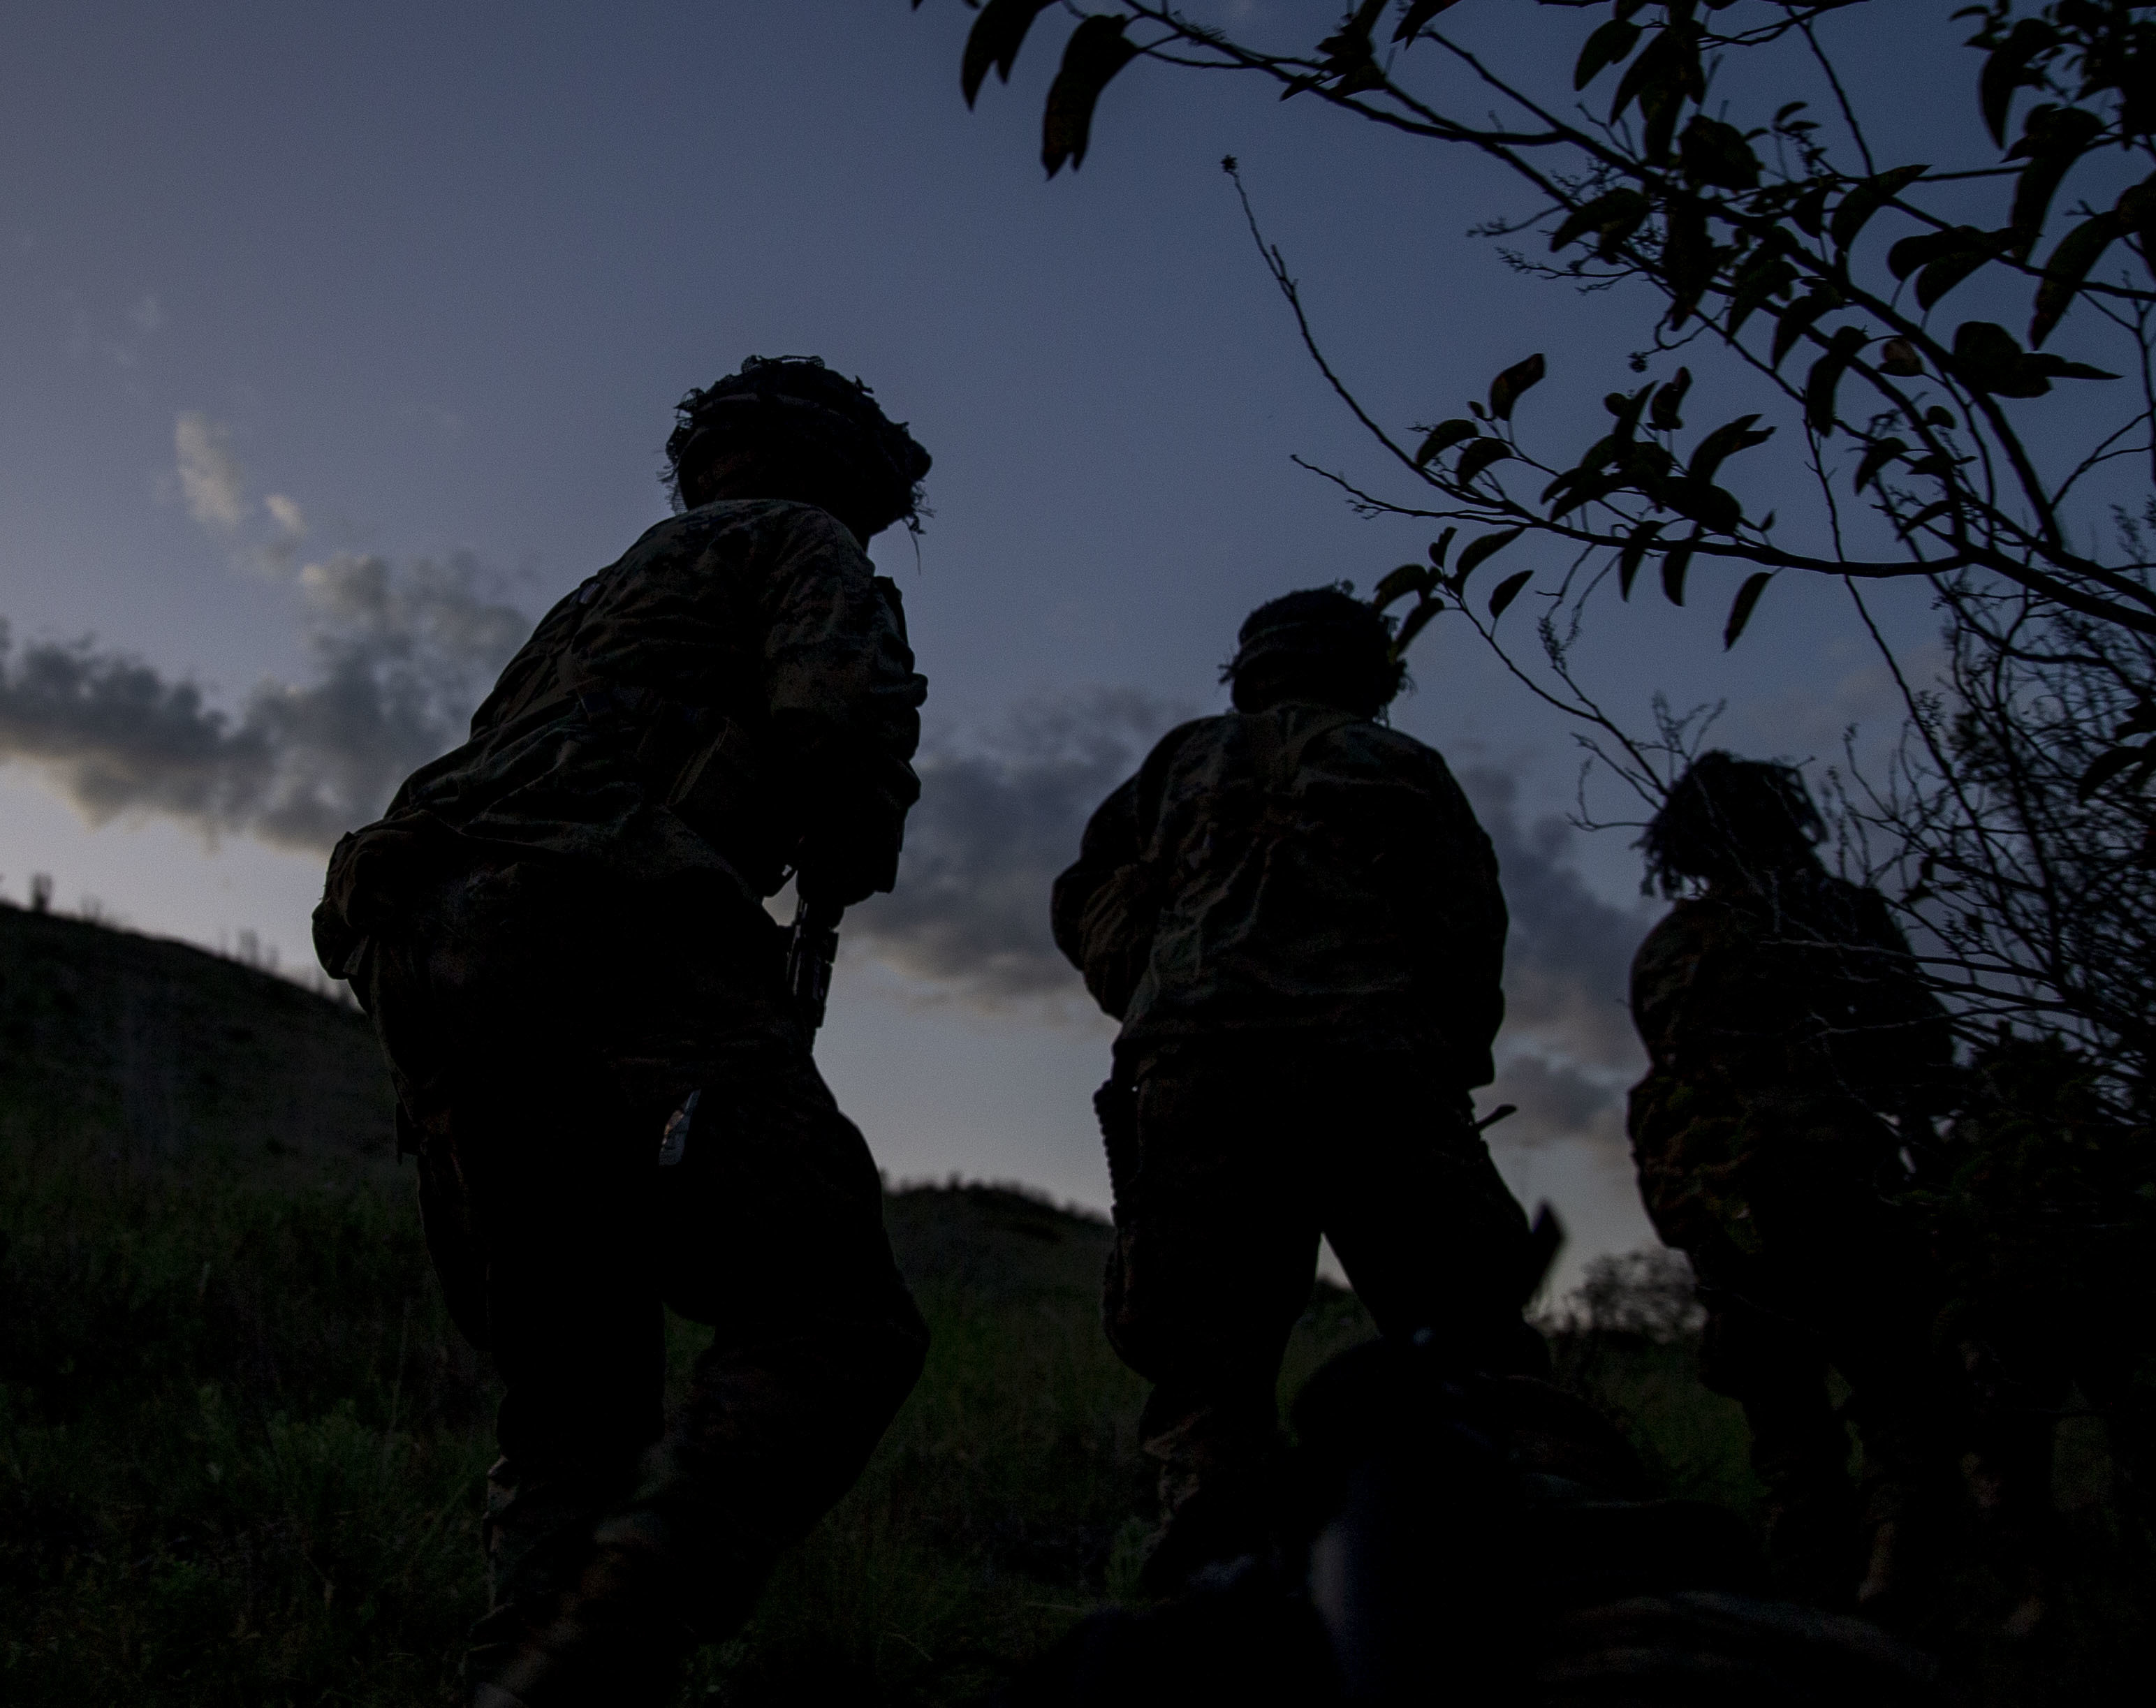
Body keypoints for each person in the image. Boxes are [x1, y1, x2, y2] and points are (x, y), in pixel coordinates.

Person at [311, 355, 933, 1707]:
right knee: (839, 1322)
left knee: (573, 1404)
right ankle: (614, 1642)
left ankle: (527, 1677)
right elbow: (829, 732)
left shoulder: (602, 596)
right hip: (612, 927)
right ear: (852, 480)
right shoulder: (801, 542)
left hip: (430, 951)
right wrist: (857, 813)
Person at [1053, 585, 1547, 1593]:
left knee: (1206, 1389)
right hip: (1374, 1074)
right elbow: (1466, 931)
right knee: (1474, 1351)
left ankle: (1204, 1615)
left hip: (1196, 1078)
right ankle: (1523, 1594)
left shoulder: (1183, 759)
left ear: (1252, 669)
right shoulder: (1403, 765)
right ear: (1371, 675)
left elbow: (1086, 896)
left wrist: (1157, 991)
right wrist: (1438, 1058)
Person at [1622, 752, 1957, 1617]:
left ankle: (1807, 1611)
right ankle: (1897, 1582)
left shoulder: (1667, 947)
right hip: (1844, 1182)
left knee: (1786, 1431)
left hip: (1730, 1207)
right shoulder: (1838, 914)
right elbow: (1921, 1054)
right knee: (1901, 1397)